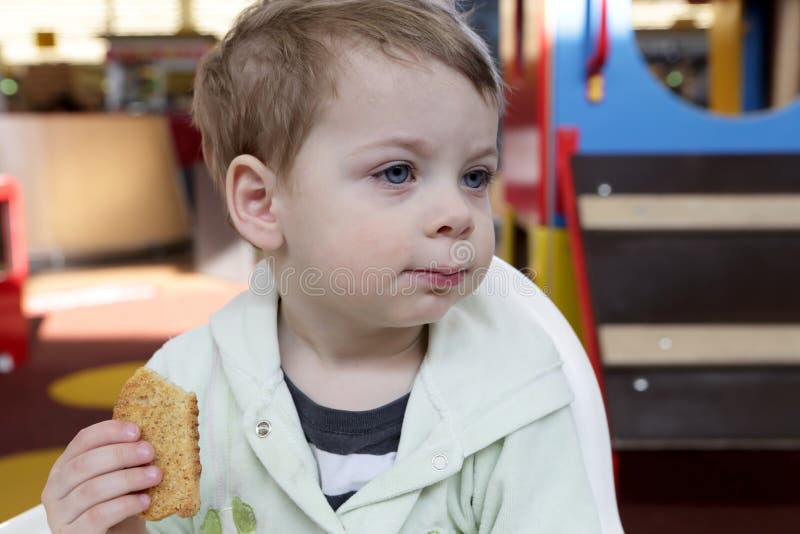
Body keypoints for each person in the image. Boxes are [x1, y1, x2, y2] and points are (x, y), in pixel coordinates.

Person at [41, 1, 619, 532]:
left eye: (474, 177)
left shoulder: (518, 384)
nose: (457, 214)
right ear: (262, 203)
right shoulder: (188, 389)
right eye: (397, 172)